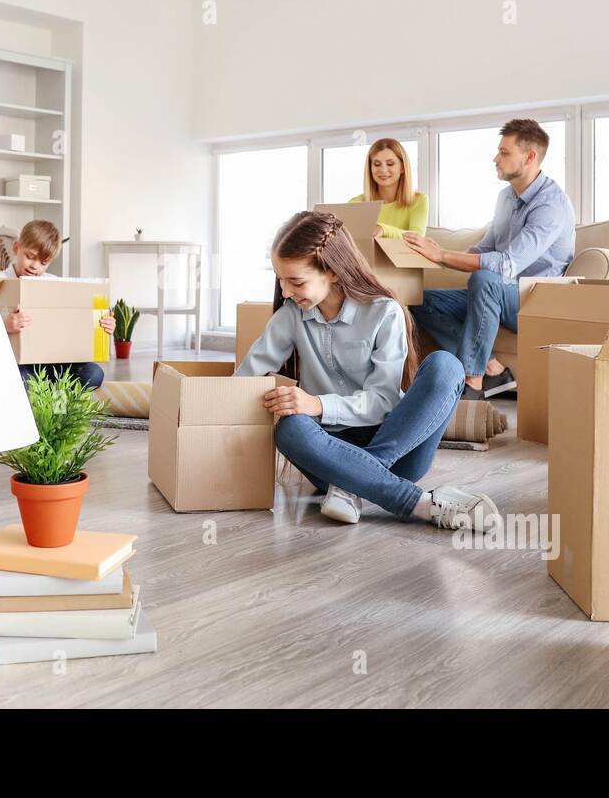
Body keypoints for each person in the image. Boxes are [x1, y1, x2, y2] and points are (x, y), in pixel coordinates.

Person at [235, 209, 498, 529]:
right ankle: (420, 504)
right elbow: (245, 377)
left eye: (296, 281)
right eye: (280, 279)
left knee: (447, 366)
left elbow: (383, 401)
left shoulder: (384, 312)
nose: (286, 291)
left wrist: (317, 404)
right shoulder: (290, 316)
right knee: (290, 429)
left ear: (332, 271)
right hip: (328, 456)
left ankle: (353, 484)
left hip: (397, 451)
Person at [405, 119, 574, 400]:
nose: (496, 158)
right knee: (417, 299)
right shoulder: (505, 198)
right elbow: (484, 250)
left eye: (505, 152)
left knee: (486, 279)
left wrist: (444, 254)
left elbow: (506, 264)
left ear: (530, 157)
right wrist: (435, 254)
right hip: (499, 292)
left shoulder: (551, 204)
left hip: (534, 299)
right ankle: (493, 369)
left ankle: (472, 382)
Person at [0, 219, 115, 390]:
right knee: (21, 380)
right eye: (29, 257)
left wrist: (103, 324)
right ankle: (53, 402)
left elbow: (76, 320)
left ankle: (53, 402)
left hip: (53, 362)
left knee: (93, 373)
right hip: (19, 363)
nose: (34, 266)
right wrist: (5, 325)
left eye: (43, 263)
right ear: (16, 248)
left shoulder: (52, 284)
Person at [348, 137, 429, 239]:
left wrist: (383, 230)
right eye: (377, 164)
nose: (383, 170)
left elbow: (417, 239)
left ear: (402, 168)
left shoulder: (419, 200)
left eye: (390, 164)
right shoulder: (356, 203)